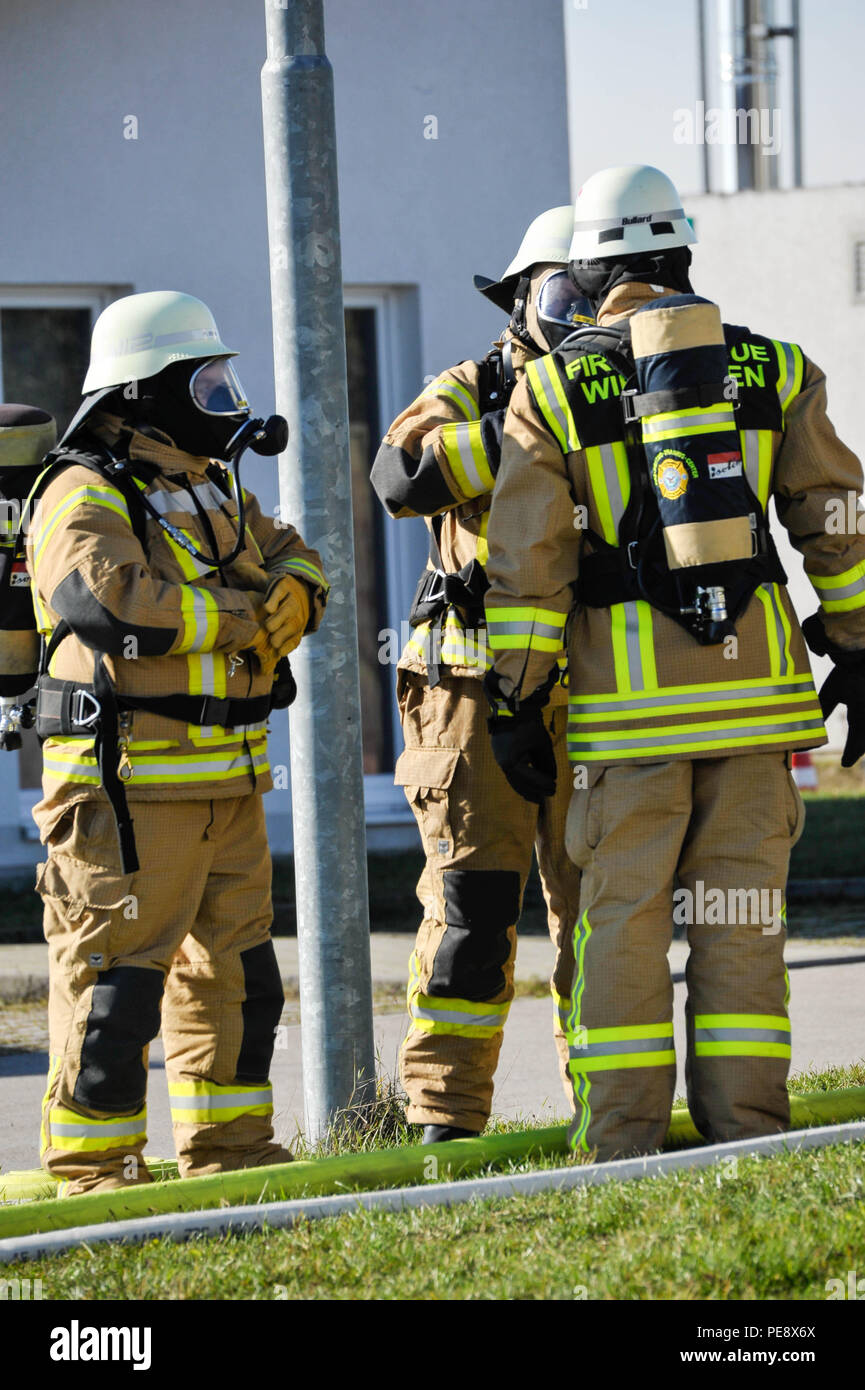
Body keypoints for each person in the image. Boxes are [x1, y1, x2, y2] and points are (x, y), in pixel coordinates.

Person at [483, 165, 865, 1162]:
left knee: (623, 936)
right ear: (681, 255)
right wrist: (861, 654)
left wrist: (515, 705)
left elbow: (528, 566)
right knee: (740, 935)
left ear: (590, 270)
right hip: (755, 719)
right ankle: (749, 1141)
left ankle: (623, 1153)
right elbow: (837, 526)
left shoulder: (553, 387)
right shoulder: (776, 369)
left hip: (628, 729)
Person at [27, 290, 329, 1194]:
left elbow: (293, 549)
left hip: (229, 785)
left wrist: (302, 591)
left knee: (240, 981)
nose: (223, 398)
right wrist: (247, 618)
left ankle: (231, 1154)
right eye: (203, 379)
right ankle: (93, 1165)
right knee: (117, 987)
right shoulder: (80, 493)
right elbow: (109, 602)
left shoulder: (210, 487)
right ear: (139, 394)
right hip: (123, 791)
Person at [371, 208, 593, 1141]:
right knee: (473, 911)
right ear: (516, 301)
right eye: (561, 292)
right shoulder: (471, 388)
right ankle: (442, 1125)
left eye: (593, 289)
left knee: (601, 916)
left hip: (595, 691)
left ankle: (613, 1116)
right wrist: (528, 432)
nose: (582, 311)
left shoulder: (630, 389)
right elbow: (398, 477)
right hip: (466, 698)